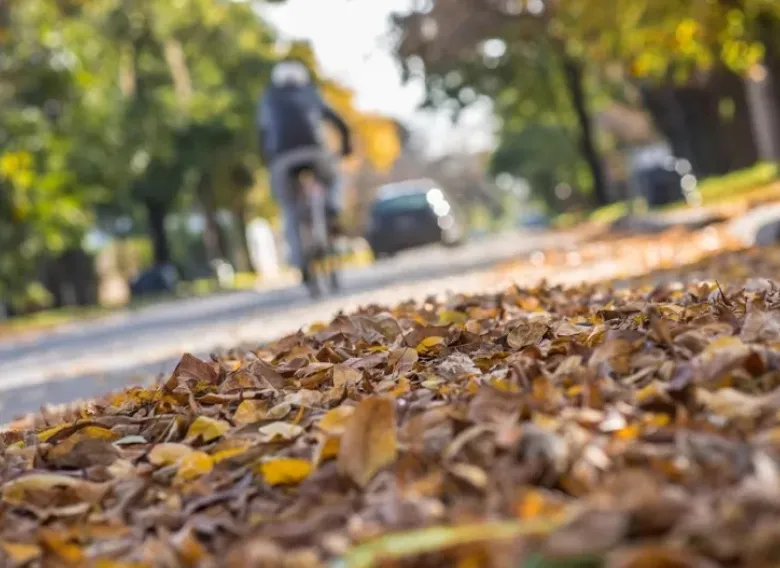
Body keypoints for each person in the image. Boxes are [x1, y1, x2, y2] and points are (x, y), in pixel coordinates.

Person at [256, 59, 352, 284]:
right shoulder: (310, 92)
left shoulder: (268, 99)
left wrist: (266, 160)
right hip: (315, 151)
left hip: (282, 158)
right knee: (334, 178)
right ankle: (332, 208)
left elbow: (262, 133)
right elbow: (337, 120)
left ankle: (300, 261)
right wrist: (346, 145)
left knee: (288, 206)